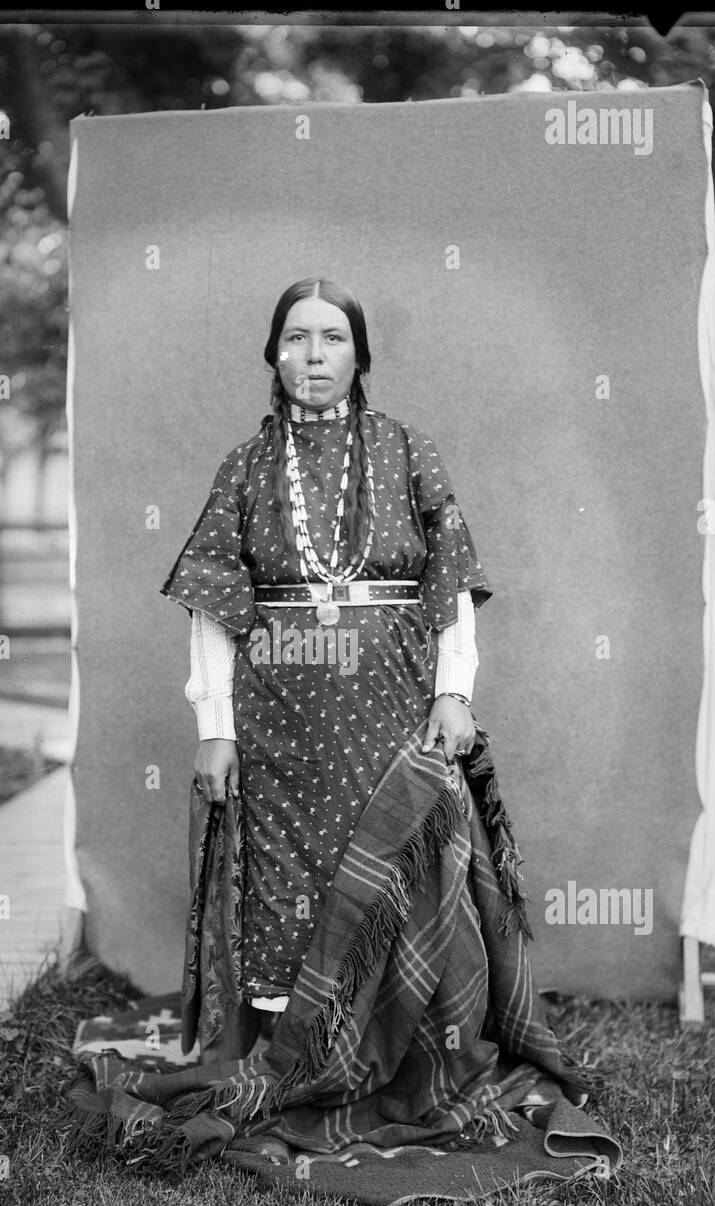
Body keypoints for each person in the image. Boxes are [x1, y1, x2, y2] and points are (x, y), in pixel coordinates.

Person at [160, 276, 493, 1037]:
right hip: (278, 723)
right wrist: (215, 726)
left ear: (359, 354)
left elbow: (450, 578)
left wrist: (454, 692)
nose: (313, 355)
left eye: (332, 337)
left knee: (384, 863)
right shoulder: (243, 468)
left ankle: (389, 1042)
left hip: (392, 706)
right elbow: (211, 607)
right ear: (273, 355)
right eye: (296, 338)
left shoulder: (407, 450)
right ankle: (292, 1052)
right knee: (288, 871)